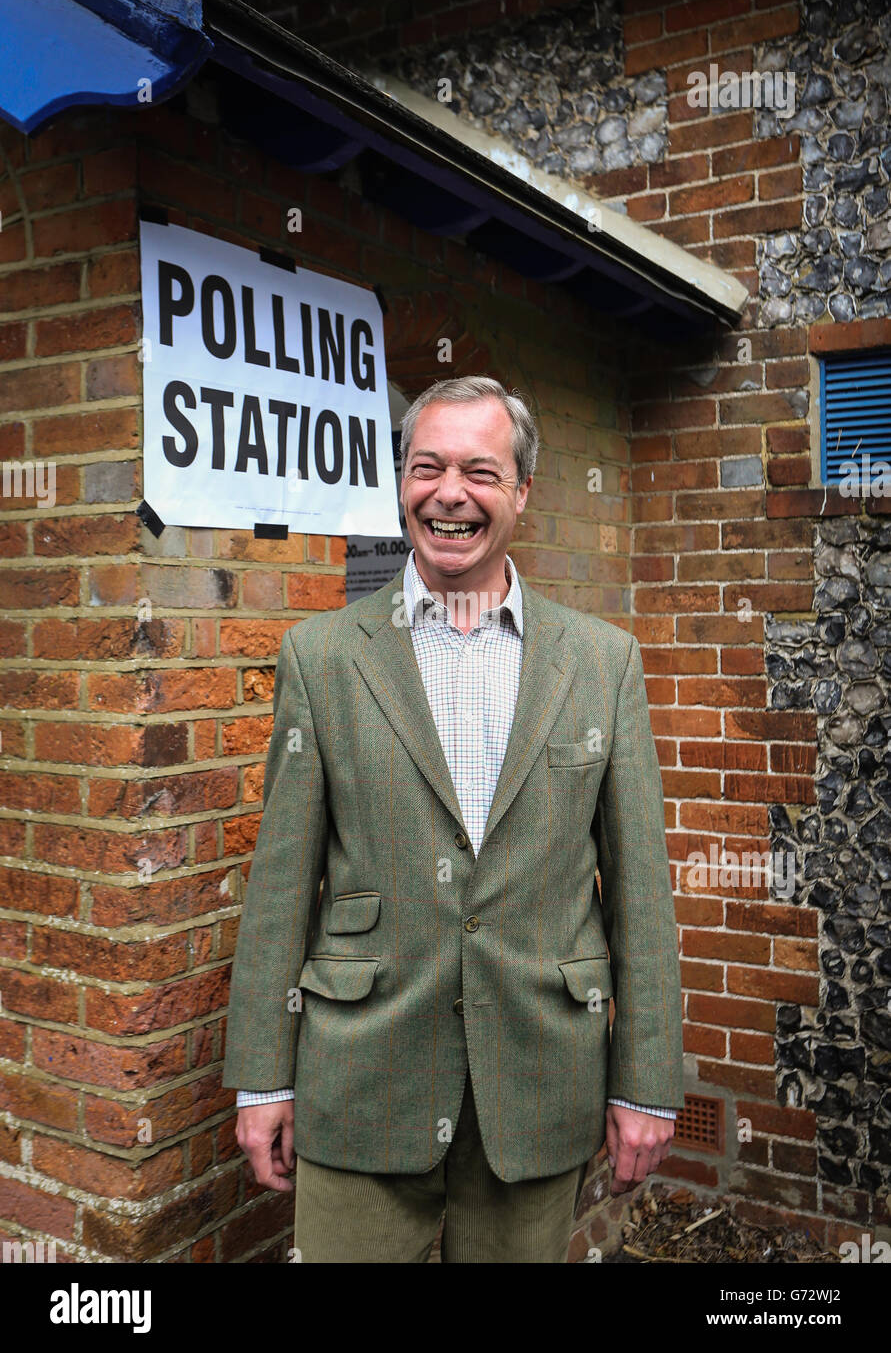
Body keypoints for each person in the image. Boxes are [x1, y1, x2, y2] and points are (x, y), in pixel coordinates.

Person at [222, 375, 684, 1263]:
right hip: (361, 1084)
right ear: (400, 483)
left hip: (540, 1084)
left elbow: (639, 894)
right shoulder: (321, 658)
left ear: (520, 493)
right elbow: (280, 883)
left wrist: (648, 1084)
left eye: (480, 470)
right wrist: (260, 1080)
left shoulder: (602, 662)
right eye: (425, 467)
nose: (449, 493)